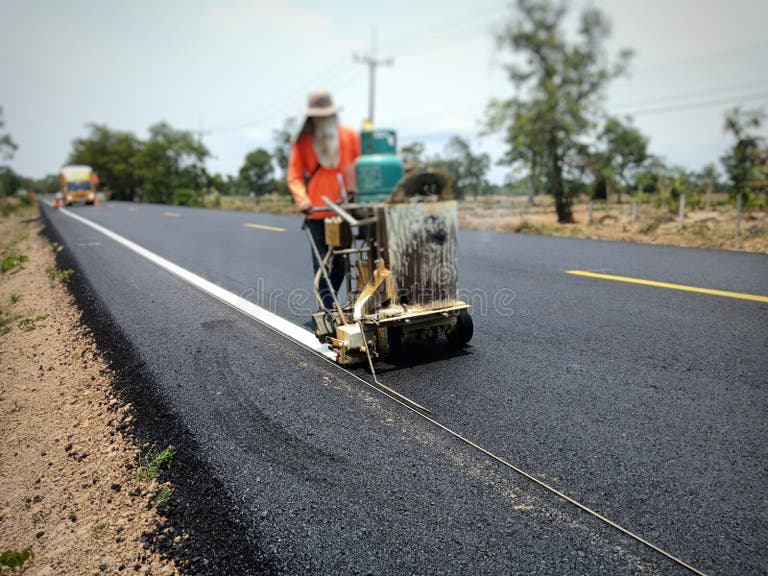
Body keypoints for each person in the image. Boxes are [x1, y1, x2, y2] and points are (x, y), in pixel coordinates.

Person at [287, 91, 361, 310]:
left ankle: (328, 304)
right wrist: (303, 201)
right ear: (311, 118)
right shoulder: (302, 142)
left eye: (326, 115)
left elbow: (359, 168)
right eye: (317, 116)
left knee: (341, 264)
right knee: (321, 264)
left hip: (344, 211)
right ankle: (328, 308)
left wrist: (356, 192)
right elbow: (294, 176)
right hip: (317, 213)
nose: (322, 119)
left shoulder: (349, 136)